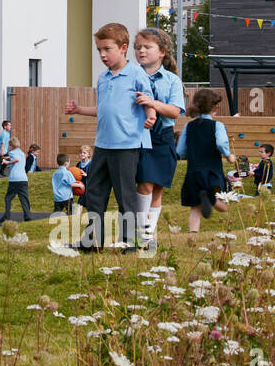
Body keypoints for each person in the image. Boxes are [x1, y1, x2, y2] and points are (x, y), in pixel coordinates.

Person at [65, 23, 156, 254]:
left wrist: (151, 117)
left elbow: (148, 101)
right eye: (99, 50)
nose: (102, 55)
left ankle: (132, 242)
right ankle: (93, 241)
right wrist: (79, 110)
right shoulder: (103, 78)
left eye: (107, 49)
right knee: (94, 193)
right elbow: (103, 109)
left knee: (125, 196)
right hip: (102, 145)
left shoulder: (136, 75)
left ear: (123, 48)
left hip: (126, 146)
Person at [132, 27, 186, 251]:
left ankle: (149, 235)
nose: (141, 51)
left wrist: (152, 103)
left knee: (157, 188)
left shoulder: (172, 80)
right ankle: (139, 234)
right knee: (144, 183)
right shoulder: (131, 75)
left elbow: (175, 111)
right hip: (139, 135)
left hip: (163, 137)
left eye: (147, 47)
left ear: (162, 52)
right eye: (138, 47)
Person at [176, 89, 236, 231]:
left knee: (195, 208)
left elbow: (180, 150)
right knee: (222, 205)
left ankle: (193, 234)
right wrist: (229, 155)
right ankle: (211, 199)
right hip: (212, 174)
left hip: (193, 173)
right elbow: (221, 144)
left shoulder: (188, 126)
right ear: (215, 107)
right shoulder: (217, 126)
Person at [0, 135, 32, 223]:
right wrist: (7, 158)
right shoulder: (22, 153)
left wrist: (7, 162)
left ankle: (7, 216)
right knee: (24, 198)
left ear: (11, 146)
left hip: (14, 179)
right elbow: (19, 158)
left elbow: (16, 159)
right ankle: (27, 216)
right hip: (23, 179)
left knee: (8, 198)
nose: (9, 147)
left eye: (9, 146)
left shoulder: (12, 153)